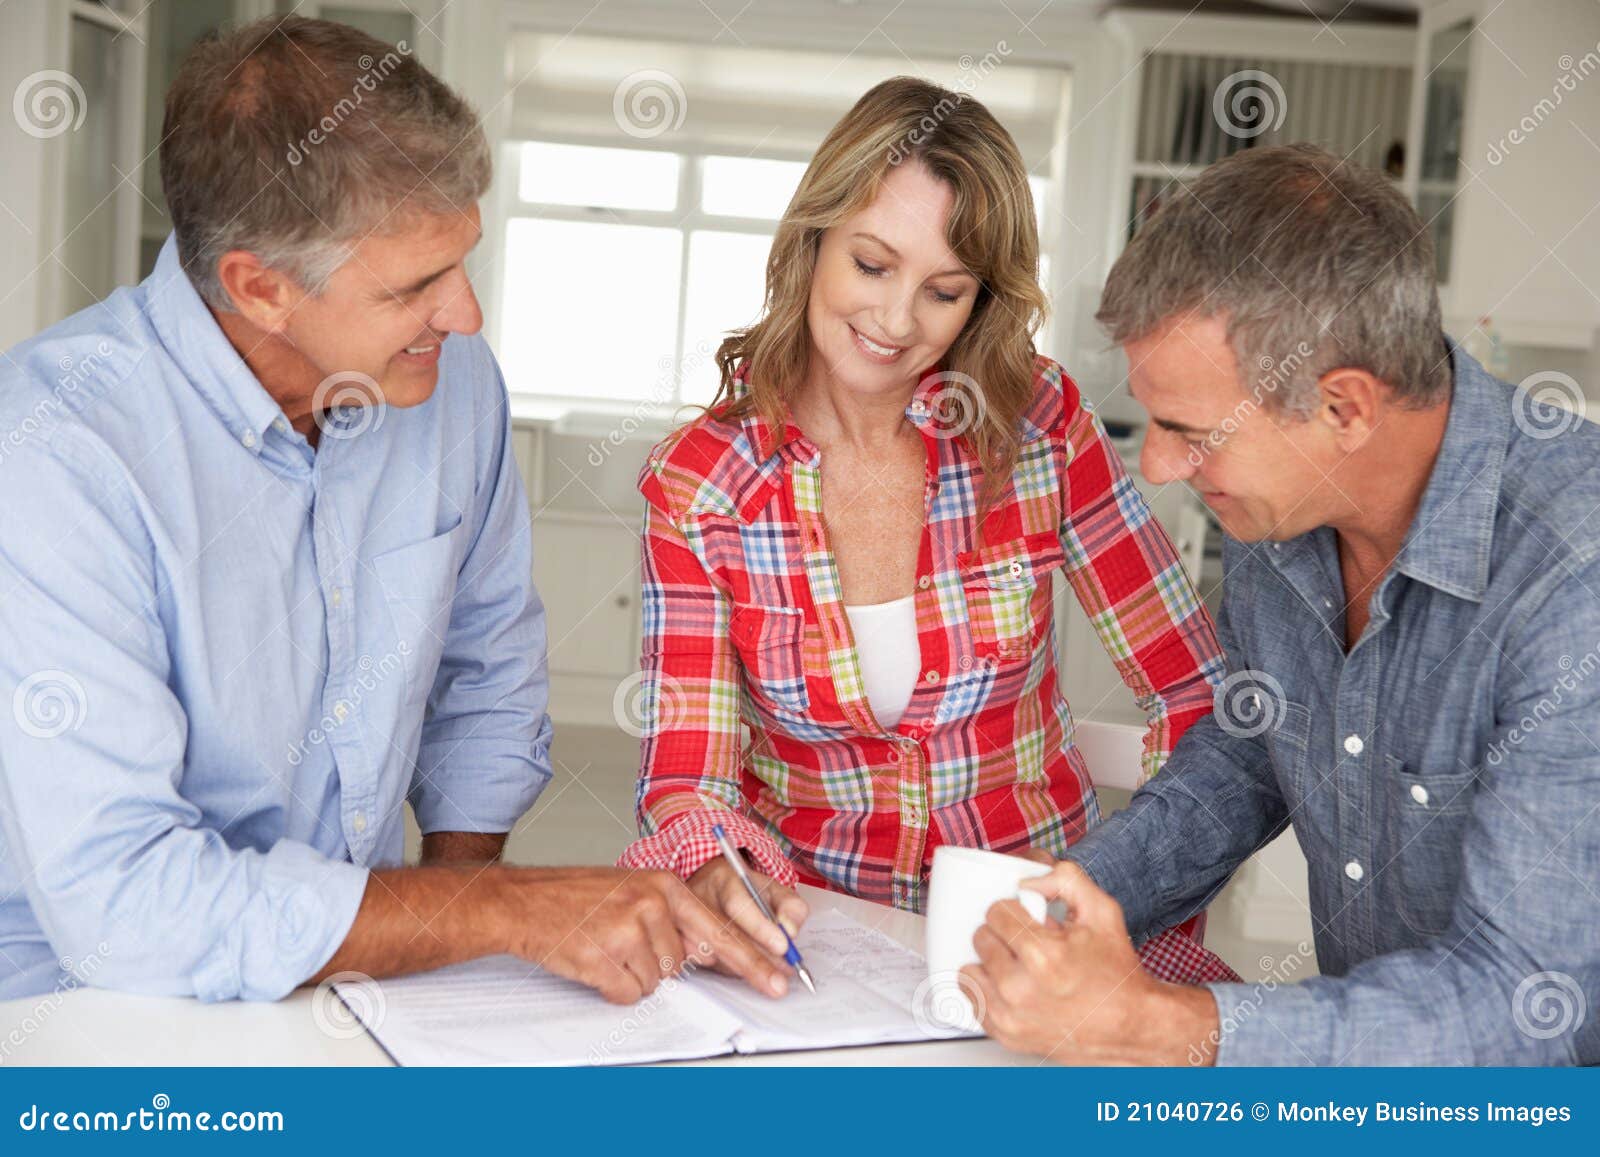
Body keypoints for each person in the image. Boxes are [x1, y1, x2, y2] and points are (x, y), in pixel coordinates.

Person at [0, 16, 786, 1006]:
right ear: (262, 287)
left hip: (353, 986)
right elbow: (127, 908)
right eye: (416, 284)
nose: (467, 316)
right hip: (81, 1012)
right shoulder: (51, 458)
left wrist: (457, 921)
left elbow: (487, 667)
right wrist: (503, 909)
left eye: (462, 259)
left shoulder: (452, 386)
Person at [963, 144, 1600, 1065]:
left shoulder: (1572, 579)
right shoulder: (1287, 517)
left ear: (1344, 408)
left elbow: (1525, 1004)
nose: (1158, 468)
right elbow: (1248, 756)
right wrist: (1071, 892)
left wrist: (1165, 1024)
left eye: (1190, 433)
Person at [619, 77, 1236, 986]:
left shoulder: (1041, 423)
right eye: (871, 265)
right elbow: (690, 769)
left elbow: (1192, 686)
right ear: (812, 240)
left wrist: (1127, 889)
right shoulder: (702, 481)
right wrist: (718, 867)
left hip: (1041, 930)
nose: (897, 321)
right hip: (822, 941)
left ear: (981, 302)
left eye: (944, 291)